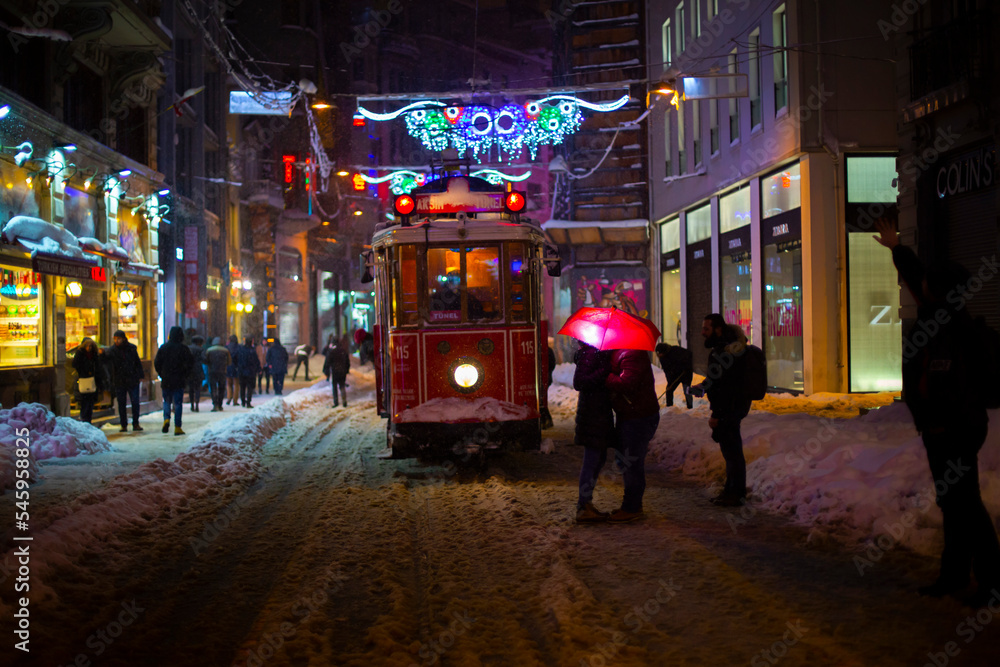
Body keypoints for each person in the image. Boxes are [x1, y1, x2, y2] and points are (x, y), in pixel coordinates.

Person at [874, 218, 1000, 605]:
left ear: (940, 290)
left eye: (930, 283)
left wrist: (943, 424)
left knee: (966, 504)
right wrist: (897, 248)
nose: (921, 286)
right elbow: (916, 276)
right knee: (953, 501)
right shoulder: (937, 316)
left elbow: (960, 388)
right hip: (940, 428)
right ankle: (955, 574)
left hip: (955, 430)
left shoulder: (955, 330)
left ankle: (991, 583)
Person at [692, 314, 752, 507]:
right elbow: (717, 379)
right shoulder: (729, 348)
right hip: (734, 406)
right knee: (731, 450)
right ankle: (732, 491)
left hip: (729, 408)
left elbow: (726, 387)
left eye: (706, 329)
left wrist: (717, 414)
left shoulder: (726, 352)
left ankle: (736, 493)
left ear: (718, 329)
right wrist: (704, 386)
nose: (702, 333)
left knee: (732, 451)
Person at [604, 346, 660, 523]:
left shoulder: (632, 353)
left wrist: (607, 376)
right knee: (626, 460)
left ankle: (631, 507)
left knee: (631, 462)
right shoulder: (623, 353)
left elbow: (627, 383)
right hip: (631, 414)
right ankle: (632, 505)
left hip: (638, 416)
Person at [573, 342, 616, 523]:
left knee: (598, 459)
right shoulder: (590, 354)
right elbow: (579, 382)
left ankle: (586, 504)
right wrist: (605, 371)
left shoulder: (596, 354)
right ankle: (583, 506)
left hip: (598, 413)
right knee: (592, 460)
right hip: (592, 415)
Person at [154, 326, 194, 435]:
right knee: (178, 403)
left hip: (166, 379)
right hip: (179, 379)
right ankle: (177, 426)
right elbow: (190, 364)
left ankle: (166, 419)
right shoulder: (184, 349)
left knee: (167, 401)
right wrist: (185, 375)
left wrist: (162, 374)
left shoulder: (164, 348)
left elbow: (157, 362)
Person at [104, 329, 145, 433]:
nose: (117, 341)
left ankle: (135, 423)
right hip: (119, 380)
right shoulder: (112, 351)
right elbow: (106, 361)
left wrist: (140, 375)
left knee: (135, 402)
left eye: (119, 339)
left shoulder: (131, 349)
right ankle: (124, 424)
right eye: (115, 339)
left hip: (132, 379)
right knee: (121, 403)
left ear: (123, 339)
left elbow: (137, 362)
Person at [72, 337, 104, 424]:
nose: (89, 347)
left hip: (92, 382)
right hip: (83, 381)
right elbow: (75, 365)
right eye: (87, 345)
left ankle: (88, 420)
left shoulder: (94, 355)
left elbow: (98, 369)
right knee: (84, 403)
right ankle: (84, 419)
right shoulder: (80, 354)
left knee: (90, 404)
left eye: (91, 345)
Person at [655, 342, 694, 409]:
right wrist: (670, 383)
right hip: (675, 375)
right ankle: (669, 408)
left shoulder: (675, 350)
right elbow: (666, 371)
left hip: (685, 373)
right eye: (658, 354)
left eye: (660, 353)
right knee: (669, 390)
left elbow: (689, 354)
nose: (659, 355)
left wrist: (686, 366)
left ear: (664, 351)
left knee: (686, 390)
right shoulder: (662, 358)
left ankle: (690, 407)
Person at [204, 337, 231, 412]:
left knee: (213, 388)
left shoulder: (209, 350)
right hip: (222, 371)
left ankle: (215, 404)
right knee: (221, 388)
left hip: (212, 371)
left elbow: (206, 361)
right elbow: (229, 362)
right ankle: (220, 404)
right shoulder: (226, 350)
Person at [323, 339, 350, 407]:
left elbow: (327, 362)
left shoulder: (331, 351)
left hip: (335, 371)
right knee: (342, 385)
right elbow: (347, 362)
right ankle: (344, 401)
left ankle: (336, 402)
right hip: (342, 371)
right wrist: (346, 370)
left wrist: (326, 371)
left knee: (334, 386)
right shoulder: (343, 350)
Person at [236, 337, 261, 407]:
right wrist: (258, 369)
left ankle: (243, 401)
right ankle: (248, 401)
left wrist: (238, 366)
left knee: (242, 387)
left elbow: (236, 358)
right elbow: (256, 361)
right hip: (250, 372)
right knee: (250, 387)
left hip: (242, 371)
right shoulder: (252, 351)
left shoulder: (241, 350)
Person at [187, 335, 206, 412]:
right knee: (197, 388)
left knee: (191, 388)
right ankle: (197, 404)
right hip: (198, 370)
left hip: (190, 370)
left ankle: (192, 404)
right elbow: (204, 359)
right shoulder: (201, 349)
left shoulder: (188, 348)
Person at [540, 345, 556, 430]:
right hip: (546, 377)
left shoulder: (542, 350)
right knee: (543, 399)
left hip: (543, 377)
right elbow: (553, 364)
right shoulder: (548, 350)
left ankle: (546, 420)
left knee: (541, 400)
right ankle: (547, 420)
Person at [225, 335, 240, 405]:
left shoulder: (227, 347)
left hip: (228, 367)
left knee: (228, 383)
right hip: (236, 367)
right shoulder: (238, 347)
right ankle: (235, 400)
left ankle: (229, 397)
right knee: (236, 384)